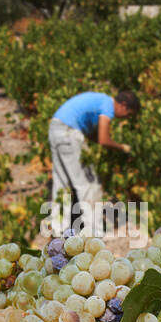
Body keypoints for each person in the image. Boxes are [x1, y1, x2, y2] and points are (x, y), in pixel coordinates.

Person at [48, 90, 139, 230]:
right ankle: (93, 234)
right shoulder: (108, 105)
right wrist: (122, 147)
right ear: (123, 105)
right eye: (129, 113)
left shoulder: (100, 101)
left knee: (62, 184)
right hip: (68, 132)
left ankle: (58, 231)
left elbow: (92, 136)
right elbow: (103, 140)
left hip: (56, 129)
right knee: (89, 185)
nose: (125, 117)